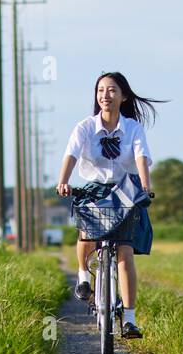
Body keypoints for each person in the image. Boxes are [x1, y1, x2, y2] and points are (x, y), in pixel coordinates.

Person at [55, 72, 165, 339]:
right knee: (88, 233)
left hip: (126, 189)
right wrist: (63, 181)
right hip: (94, 187)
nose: (105, 95)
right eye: (101, 90)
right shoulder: (84, 127)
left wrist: (145, 185)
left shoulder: (133, 128)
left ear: (123, 96)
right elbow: (70, 154)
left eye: (112, 90)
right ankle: (83, 275)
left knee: (125, 252)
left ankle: (129, 319)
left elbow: (141, 156)